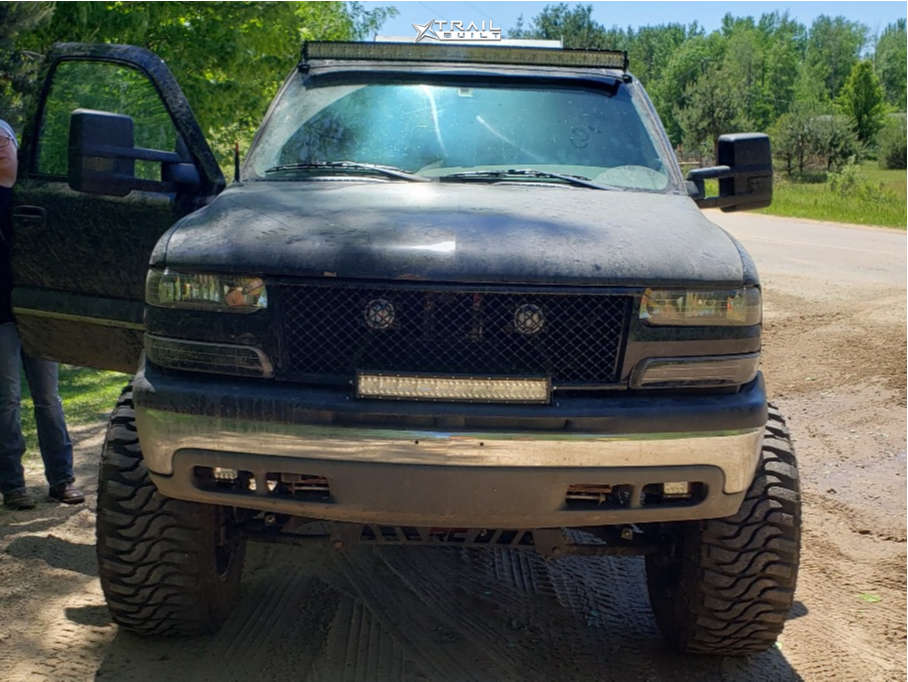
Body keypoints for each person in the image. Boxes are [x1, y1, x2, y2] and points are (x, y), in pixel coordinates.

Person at [0, 117, 83, 509]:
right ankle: (12, 486)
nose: (0, 146)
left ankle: (62, 480)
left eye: (5, 139)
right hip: (1, 315)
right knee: (7, 401)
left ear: (17, 148)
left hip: (39, 315)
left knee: (49, 399)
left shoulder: (38, 196)